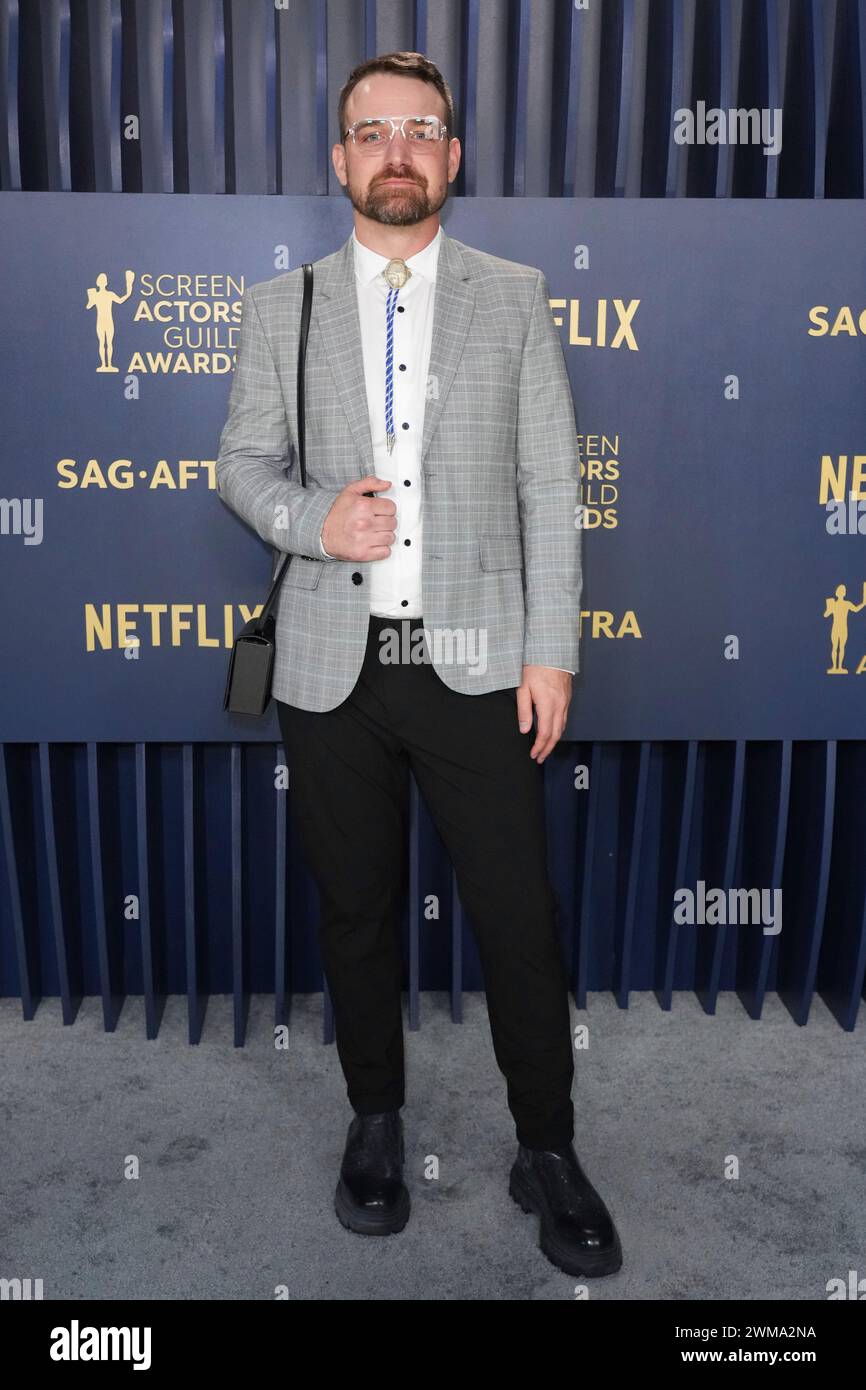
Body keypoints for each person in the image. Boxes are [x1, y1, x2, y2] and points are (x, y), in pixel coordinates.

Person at [216, 50, 621, 1279]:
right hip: (333, 670)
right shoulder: (278, 308)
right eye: (372, 128)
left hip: (481, 664)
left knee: (517, 920)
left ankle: (543, 1149)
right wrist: (310, 521)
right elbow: (239, 467)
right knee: (356, 914)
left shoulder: (514, 295)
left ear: (450, 157)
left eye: (421, 128)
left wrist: (551, 648)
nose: (397, 147)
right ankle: (375, 1124)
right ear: (340, 159)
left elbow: (551, 486)